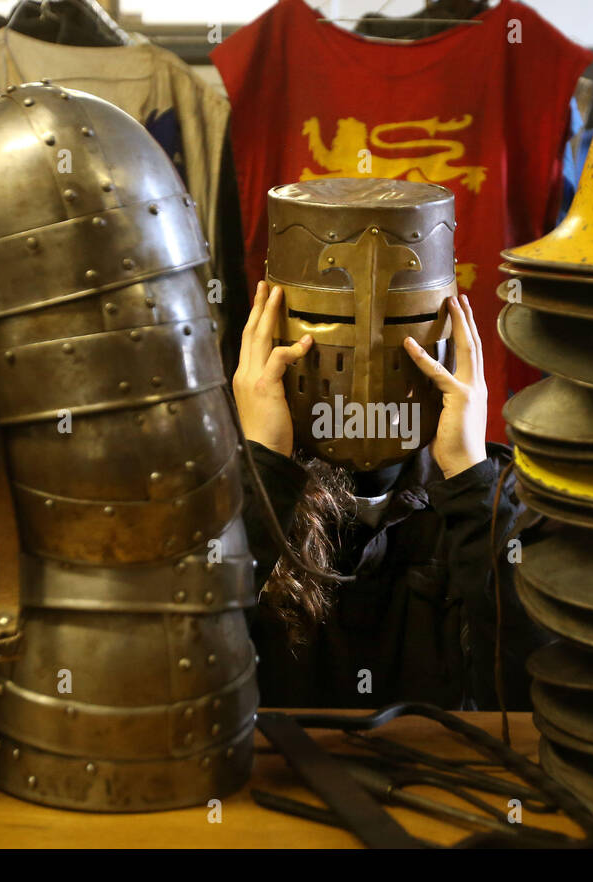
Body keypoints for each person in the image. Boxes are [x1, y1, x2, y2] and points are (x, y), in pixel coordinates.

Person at [232, 281, 548, 709]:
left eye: (399, 321)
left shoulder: (499, 496)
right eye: (333, 320)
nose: (366, 360)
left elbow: (532, 700)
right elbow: (188, 677)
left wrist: (470, 480)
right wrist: (265, 472)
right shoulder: (226, 499)